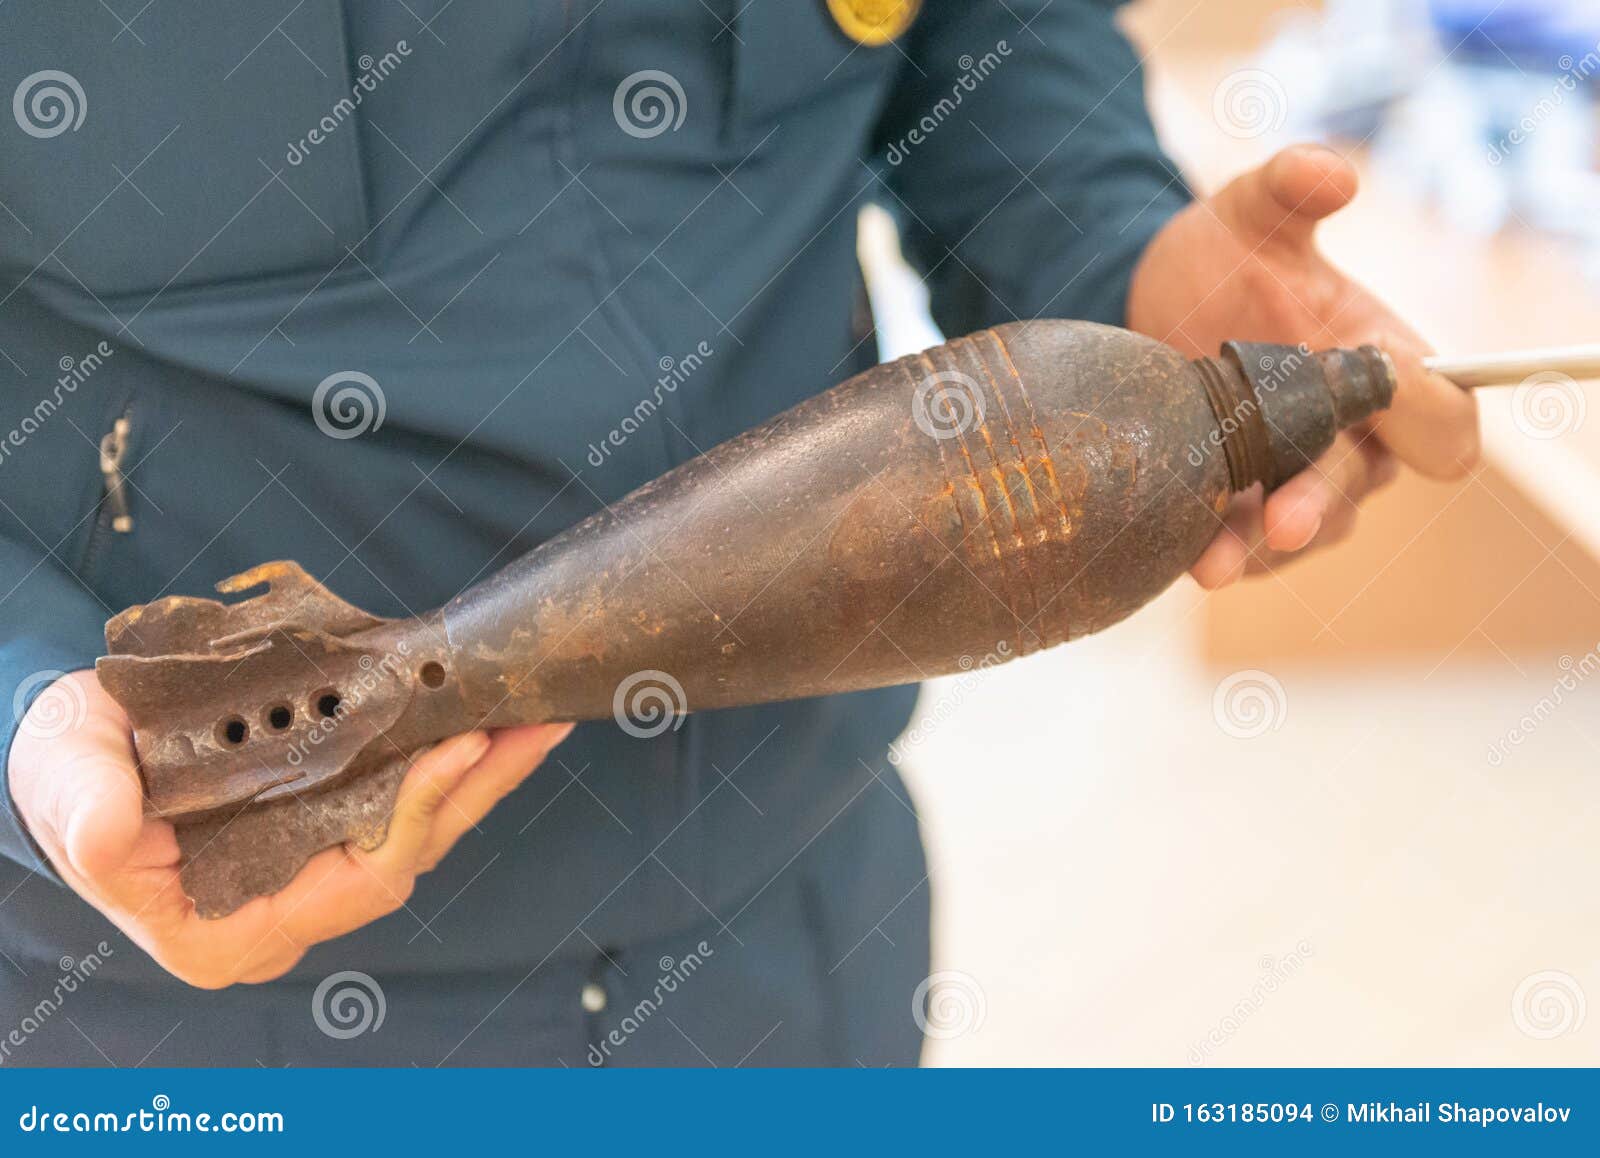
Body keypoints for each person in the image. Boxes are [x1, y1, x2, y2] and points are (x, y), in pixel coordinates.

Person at [1, 1, 1476, 1066]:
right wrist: (26, 700)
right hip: (175, 994)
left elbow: (985, 32)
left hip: (793, 934)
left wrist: (1111, 247)